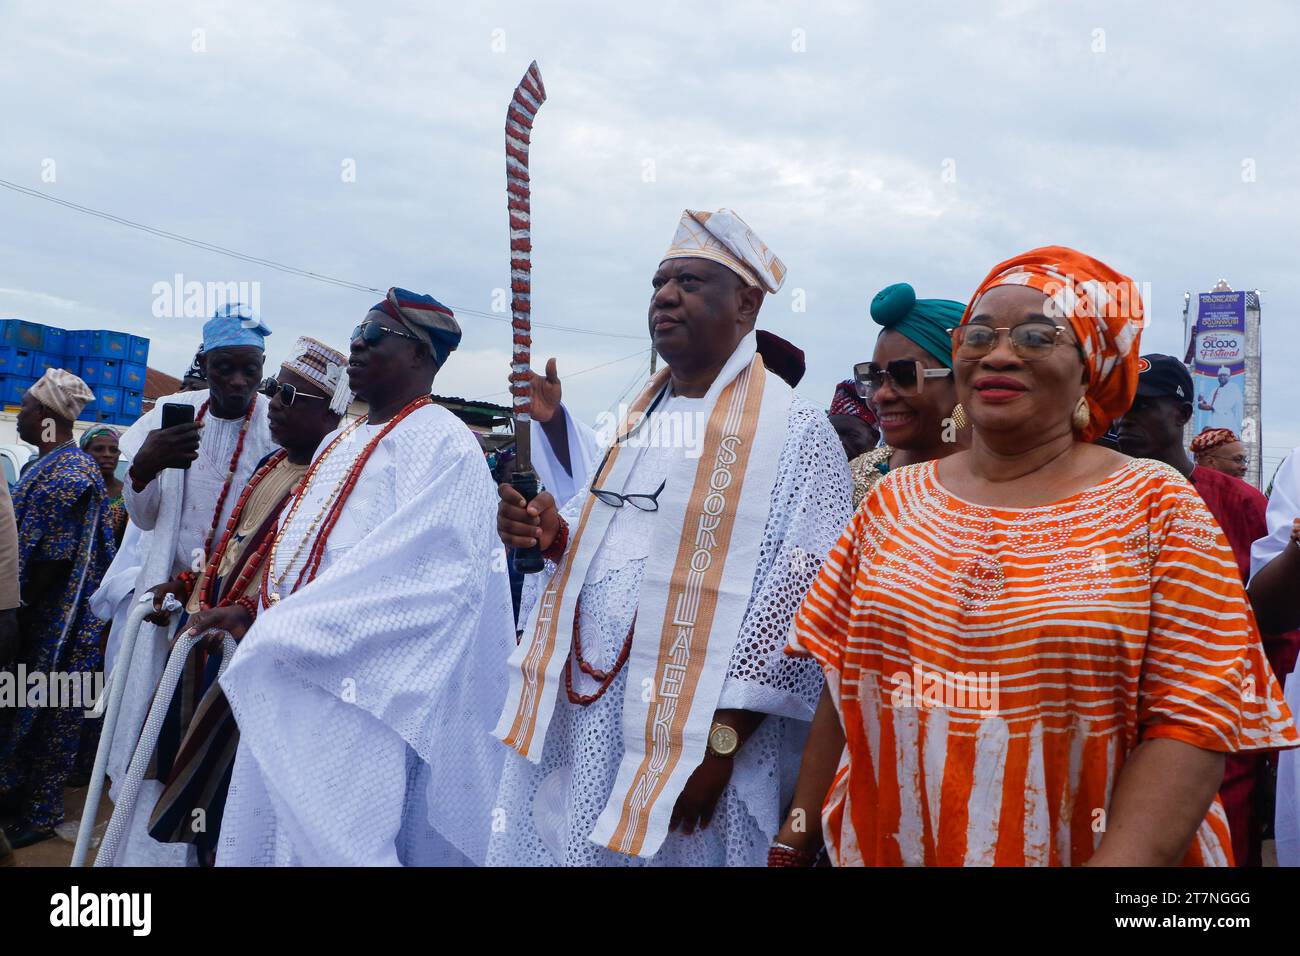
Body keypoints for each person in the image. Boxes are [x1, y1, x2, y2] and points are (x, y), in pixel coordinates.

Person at [786, 246, 1295, 866]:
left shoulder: (1159, 507)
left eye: (1036, 335)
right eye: (977, 335)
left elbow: (1192, 721)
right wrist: (795, 836)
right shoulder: (893, 501)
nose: (998, 353)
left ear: (1092, 370)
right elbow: (840, 684)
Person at [491, 208, 851, 866]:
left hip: (699, 741)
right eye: (659, 282)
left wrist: (719, 747)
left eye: (689, 281)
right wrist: (548, 533)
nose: (664, 296)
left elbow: (804, 602)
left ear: (746, 303)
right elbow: (594, 538)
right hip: (587, 718)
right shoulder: (638, 422)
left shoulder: (796, 430)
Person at [215, 288, 514, 866]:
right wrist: (257, 615)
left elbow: (442, 584)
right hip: (293, 664)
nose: (356, 342)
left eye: (375, 335)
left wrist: (302, 630)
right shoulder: (340, 439)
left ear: (422, 357)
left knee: (344, 841)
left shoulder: (443, 442)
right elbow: (308, 562)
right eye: (358, 329)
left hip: (367, 690)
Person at [100, 303, 275, 865]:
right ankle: (147, 856)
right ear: (205, 363)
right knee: (154, 736)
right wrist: (144, 467)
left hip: (243, 611)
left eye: (251, 369)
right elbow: (146, 517)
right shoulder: (160, 421)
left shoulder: (278, 422)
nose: (239, 382)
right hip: (169, 607)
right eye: (225, 368)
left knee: (226, 745)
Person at [1116, 354, 1298, 866]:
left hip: (1220, 738)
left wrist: (1270, 752)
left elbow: (1277, 631)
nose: (1125, 422)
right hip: (1112, 732)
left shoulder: (1238, 503)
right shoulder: (1093, 502)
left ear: (1181, 413)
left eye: (1142, 408)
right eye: (1119, 410)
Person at [0, 370, 117, 848]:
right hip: (39, 616)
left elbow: (52, 558)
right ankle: (18, 798)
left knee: (52, 713)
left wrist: (15, 612)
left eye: (26, 407)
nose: (21, 415)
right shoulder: (41, 467)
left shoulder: (67, 476)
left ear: (47, 418)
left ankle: (41, 812)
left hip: (59, 623)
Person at [846, 282, 970, 509]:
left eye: (905, 376)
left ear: (963, 381)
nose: (880, 395)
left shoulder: (1006, 487)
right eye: (873, 377)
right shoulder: (852, 478)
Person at [80, 427, 127, 546]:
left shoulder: (127, 494)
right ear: (84, 452)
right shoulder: (75, 490)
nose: (107, 454)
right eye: (99, 449)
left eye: (114, 450)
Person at [827, 380, 879, 463]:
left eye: (852, 436)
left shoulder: (893, 473)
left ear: (874, 439)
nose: (839, 443)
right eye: (831, 434)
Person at [1198, 366, 1243, 432]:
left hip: (1226, 421)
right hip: (1214, 420)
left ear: (1229, 376)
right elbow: (1208, 403)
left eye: (1224, 375)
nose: (1222, 377)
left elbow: (1228, 404)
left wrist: (1209, 407)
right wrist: (1202, 400)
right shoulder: (1215, 390)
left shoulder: (1233, 387)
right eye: (1220, 375)